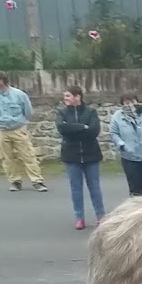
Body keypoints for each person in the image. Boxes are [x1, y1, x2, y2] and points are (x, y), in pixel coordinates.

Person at [56, 85, 104, 230]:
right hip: (71, 155)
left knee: (94, 187)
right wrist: (83, 127)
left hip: (91, 154)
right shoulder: (62, 113)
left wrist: (73, 128)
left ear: (78, 97)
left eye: (68, 96)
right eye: (65, 96)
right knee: (75, 188)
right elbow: (62, 129)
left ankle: (100, 216)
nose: (65, 99)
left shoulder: (91, 112)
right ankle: (79, 218)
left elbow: (94, 130)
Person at [0, 71, 47, 192]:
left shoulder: (19, 95)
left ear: (1, 81)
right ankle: (15, 181)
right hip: (0, 130)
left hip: (18, 129)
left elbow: (28, 112)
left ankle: (37, 181)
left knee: (28, 155)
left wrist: (19, 122)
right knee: (6, 157)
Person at [108, 91, 142, 196]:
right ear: (123, 104)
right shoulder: (117, 117)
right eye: (126, 103)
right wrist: (122, 145)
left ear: (137, 101)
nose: (130, 105)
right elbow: (114, 133)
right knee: (134, 189)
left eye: (132, 102)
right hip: (129, 157)